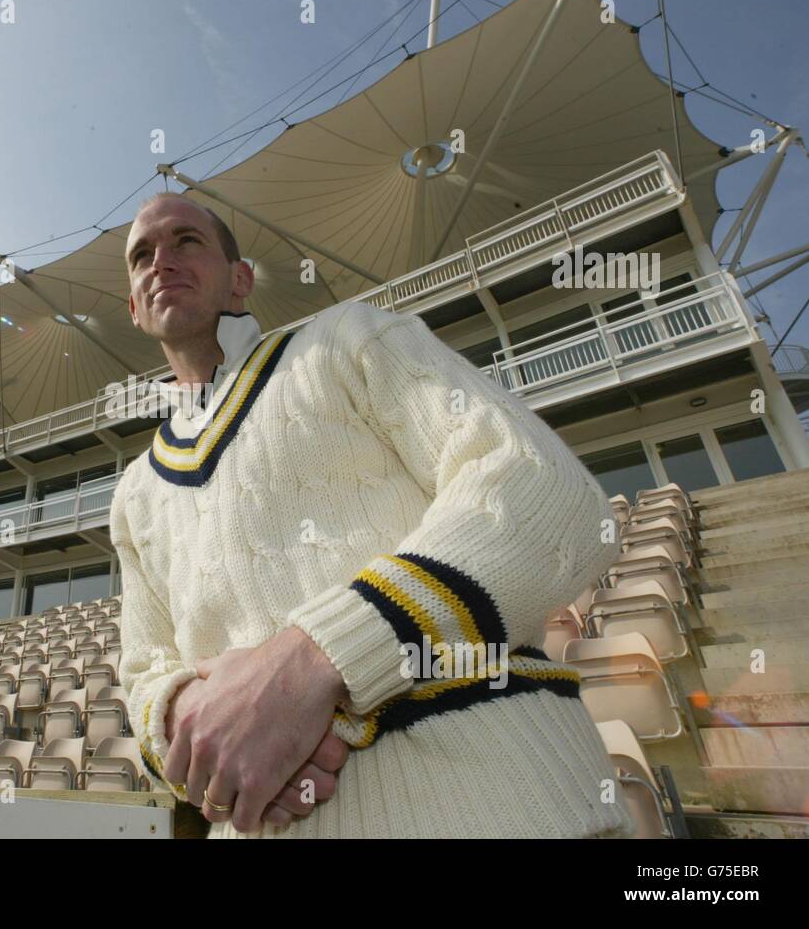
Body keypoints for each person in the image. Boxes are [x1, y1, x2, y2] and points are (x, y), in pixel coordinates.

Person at [110, 190, 634, 838]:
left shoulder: (344, 340)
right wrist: (211, 736)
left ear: (240, 279)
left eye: (187, 240)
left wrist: (314, 660)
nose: (162, 259)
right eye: (142, 255)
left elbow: (549, 497)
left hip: (502, 806)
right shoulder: (133, 493)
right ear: (134, 307)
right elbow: (143, 679)